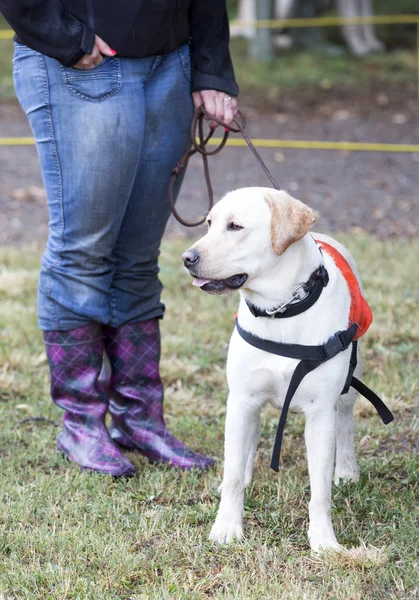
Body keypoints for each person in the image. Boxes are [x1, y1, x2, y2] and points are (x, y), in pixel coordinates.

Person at [1, 0, 239, 476]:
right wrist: (66, 37)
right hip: (81, 66)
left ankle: (139, 418)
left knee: (137, 257)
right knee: (82, 252)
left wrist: (211, 68)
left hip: (171, 64)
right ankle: (82, 423)